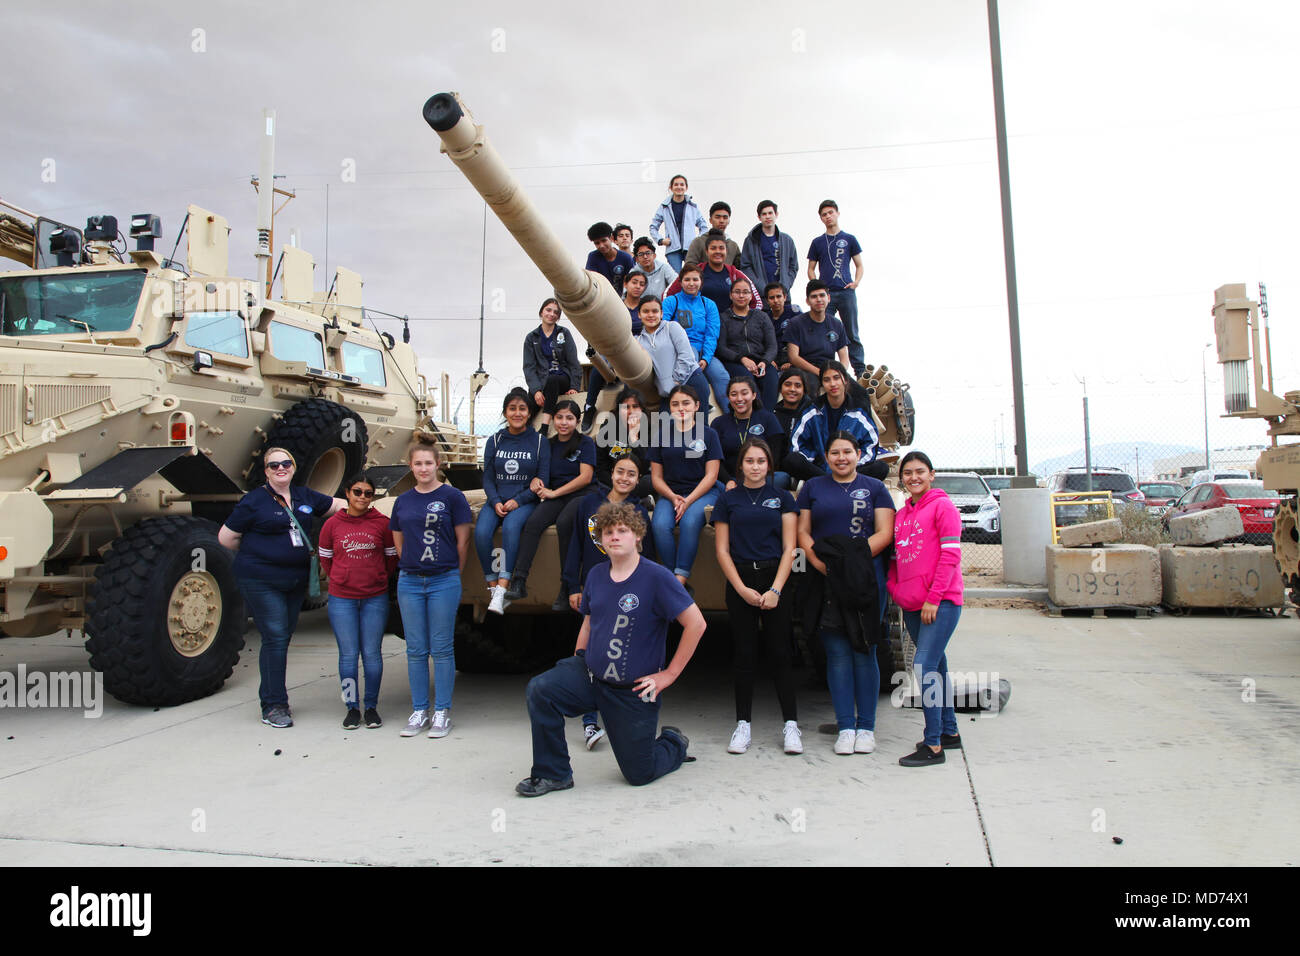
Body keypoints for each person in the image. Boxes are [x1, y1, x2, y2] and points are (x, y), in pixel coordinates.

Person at [518, 502, 706, 796]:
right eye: (608, 532)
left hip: (631, 692)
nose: (614, 536)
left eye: (622, 530)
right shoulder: (595, 574)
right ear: (601, 540)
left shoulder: (657, 578)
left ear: (638, 536)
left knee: (639, 773)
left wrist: (669, 675)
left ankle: (673, 742)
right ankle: (553, 774)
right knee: (541, 690)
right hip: (592, 677)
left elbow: (696, 624)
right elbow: (589, 623)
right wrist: (577, 660)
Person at [218, 448, 345, 728]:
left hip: (295, 579)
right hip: (261, 580)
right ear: (266, 471)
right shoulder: (254, 502)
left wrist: (363, 510)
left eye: (285, 463)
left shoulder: (304, 496)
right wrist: (259, 552)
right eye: (273, 465)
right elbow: (226, 538)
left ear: (293, 467)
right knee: (275, 637)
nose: (280, 468)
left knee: (282, 637)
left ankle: (273, 696)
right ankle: (274, 705)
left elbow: (338, 505)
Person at [796, 432, 895, 755]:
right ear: (826, 457)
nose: (841, 458)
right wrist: (819, 562)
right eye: (835, 453)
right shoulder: (812, 488)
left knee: (863, 649)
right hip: (825, 577)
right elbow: (803, 531)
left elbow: (885, 532)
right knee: (837, 653)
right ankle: (845, 726)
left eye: (847, 452)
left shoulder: (876, 488)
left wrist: (850, 563)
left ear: (858, 454)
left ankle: (866, 726)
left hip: (866, 578)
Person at [713, 438, 800, 755]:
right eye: (749, 461)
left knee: (780, 653)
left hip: (774, 577)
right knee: (744, 655)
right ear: (741, 465)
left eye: (761, 461)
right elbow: (721, 549)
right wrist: (740, 589)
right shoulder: (729, 500)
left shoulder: (783, 498)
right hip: (740, 580)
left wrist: (775, 589)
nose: (755, 466)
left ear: (769, 465)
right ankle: (743, 725)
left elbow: (790, 547)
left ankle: (791, 724)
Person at [390, 438, 472, 738]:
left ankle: (442, 712)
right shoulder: (403, 501)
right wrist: (413, 565)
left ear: (438, 464)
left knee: (441, 648)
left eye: (428, 462)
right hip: (410, 580)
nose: (423, 468)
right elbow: (398, 539)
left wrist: (452, 573)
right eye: (418, 463)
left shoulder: (453, 497)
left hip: (443, 580)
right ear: (411, 467)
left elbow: (463, 540)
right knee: (415, 649)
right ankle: (419, 710)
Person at [888, 451, 964, 767]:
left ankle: (932, 745)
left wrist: (934, 598)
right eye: (908, 473)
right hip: (912, 605)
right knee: (938, 665)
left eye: (920, 471)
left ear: (931, 474)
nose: (913, 477)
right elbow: (895, 561)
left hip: (940, 603)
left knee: (924, 666)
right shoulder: (902, 515)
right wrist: (899, 591)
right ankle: (949, 732)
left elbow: (950, 556)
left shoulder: (943, 507)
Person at [318, 472, 397, 730]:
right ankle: (352, 707)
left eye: (368, 493)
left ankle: (371, 707)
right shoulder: (332, 525)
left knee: (372, 654)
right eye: (357, 492)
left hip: (374, 597)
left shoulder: (382, 524)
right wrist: (341, 578)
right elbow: (326, 558)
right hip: (343, 599)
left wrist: (376, 578)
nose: (362, 497)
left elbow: (390, 558)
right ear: (347, 493)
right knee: (348, 656)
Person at [507, 400, 596, 610]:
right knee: (534, 522)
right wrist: (537, 481)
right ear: (553, 419)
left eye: (569, 418)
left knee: (565, 523)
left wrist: (554, 493)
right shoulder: (548, 444)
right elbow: (542, 473)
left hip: (582, 494)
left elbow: (586, 477)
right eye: (559, 417)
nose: (564, 422)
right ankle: (519, 581)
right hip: (556, 494)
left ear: (577, 421)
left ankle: (567, 586)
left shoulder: (585, 443)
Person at [477, 388, 550, 615]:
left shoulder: (539, 442)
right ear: (505, 412)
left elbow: (543, 479)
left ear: (529, 413)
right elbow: (487, 476)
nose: (517, 413)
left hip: (524, 501)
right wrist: (496, 500)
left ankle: (503, 589)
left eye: (522, 408)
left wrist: (518, 501)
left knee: (510, 528)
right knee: (480, 533)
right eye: (512, 408)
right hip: (496, 500)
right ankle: (493, 589)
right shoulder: (495, 440)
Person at [648, 384, 722, 585]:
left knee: (690, 521)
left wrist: (688, 501)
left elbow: (712, 475)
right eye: (675, 404)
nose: (681, 408)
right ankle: (674, 579)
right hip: (670, 493)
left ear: (697, 406)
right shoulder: (660, 435)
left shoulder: (709, 434)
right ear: (669, 408)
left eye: (686, 403)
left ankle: (680, 577)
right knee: (660, 525)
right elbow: (656, 477)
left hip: (703, 492)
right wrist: (673, 497)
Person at [788, 360, 885, 483]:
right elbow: (797, 442)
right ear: (822, 383)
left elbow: (871, 444)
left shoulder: (858, 411)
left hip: (849, 467)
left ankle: (832, 481)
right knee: (792, 460)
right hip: (821, 468)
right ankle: (829, 481)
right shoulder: (813, 410)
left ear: (845, 380)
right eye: (827, 380)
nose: (832, 384)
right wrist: (818, 459)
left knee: (881, 468)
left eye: (836, 378)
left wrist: (851, 464)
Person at [807, 199, 866, 377]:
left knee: (851, 332)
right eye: (824, 214)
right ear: (821, 218)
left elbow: (859, 265)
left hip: (846, 292)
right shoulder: (817, 242)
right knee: (825, 331)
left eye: (830, 212)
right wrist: (817, 287)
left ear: (837, 213)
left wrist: (855, 282)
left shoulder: (849, 239)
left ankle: (860, 371)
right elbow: (810, 268)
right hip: (827, 295)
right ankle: (828, 369)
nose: (828, 216)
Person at [661, 265, 728, 412]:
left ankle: (731, 417)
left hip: (703, 352)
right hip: (679, 351)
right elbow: (663, 328)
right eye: (687, 279)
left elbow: (712, 334)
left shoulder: (708, 304)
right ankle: (699, 403)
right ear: (680, 282)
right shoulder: (671, 301)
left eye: (695, 279)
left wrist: (706, 358)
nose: (691, 283)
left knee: (721, 375)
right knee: (691, 357)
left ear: (701, 282)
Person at [714, 277, 779, 409]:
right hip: (735, 362)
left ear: (751, 296)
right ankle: (756, 418)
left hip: (760, 360)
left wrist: (765, 361)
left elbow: (772, 345)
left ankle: (767, 419)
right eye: (737, 292)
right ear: (731, 295)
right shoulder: (723, 317)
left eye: (745, 292)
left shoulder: (762, 316)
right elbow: (721, 347)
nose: (741, 295)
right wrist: (742, 359)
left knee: (771, 380)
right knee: (747, 381)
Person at [711, 374, 785, 489]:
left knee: (782, 478)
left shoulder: (768, 418)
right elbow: (714, 460)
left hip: (762, 478)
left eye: (744, 393)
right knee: (714, 483)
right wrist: (728, 481)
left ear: (754, 395)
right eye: (734, 394)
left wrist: (757, 477)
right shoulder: (718, 423)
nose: (739, 399)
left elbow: (775, 454)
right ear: (728, 397)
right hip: (731, 481)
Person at [523, 298, 581, 430]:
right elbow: (529, 367)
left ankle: (544, 426)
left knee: (553, 379)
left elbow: (573, 362)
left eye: (556, 312)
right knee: (527, 408)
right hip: (540, 382)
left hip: (561, 378)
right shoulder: (531, 338)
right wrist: (536, 390)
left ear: (558, 317)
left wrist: (574, 386)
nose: (552, 314)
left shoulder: (564, 333)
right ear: (541, 313)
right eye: (548, 310)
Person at [593, 387, 653, 498]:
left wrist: (634, 436)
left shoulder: (649, 429)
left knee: (649, 481)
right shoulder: (608, 427)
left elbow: (645, 467)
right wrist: (616, 487)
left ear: (642, 410)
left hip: (635, 481)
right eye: (626, 407)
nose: (630, 411)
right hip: (611, 481)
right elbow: (600, 465)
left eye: (635, 407)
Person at [635, 294, 698, 401]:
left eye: (655, 311)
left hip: (690, 382)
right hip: (667, 394)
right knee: (664, 418)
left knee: (700, 418)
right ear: (639, 315)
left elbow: (687, 355)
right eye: (646, 311)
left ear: (661, 314)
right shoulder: (638, 341)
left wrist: (676, 381)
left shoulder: (672, 327)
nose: (650, 315)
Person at [785, 280, 850, 381]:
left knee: (858, 391)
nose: (819, 299)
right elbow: (793, 357)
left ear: (828, 298)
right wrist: (820, 373)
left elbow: (844, 358)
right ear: (807, 301)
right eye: (814, 296)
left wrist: (839, 373)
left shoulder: (837, 324)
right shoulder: (795, 323)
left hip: (830, 370)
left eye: (822, 295)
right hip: (805, 371)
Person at [649, 174, 709, 272]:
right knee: (676, 278)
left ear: (686, 187)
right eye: (676, 185)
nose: (679, 187)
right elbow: (653, 227)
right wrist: (660, 240)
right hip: (672, 248)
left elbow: (704, 226)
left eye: (682, 184)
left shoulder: (692, 206)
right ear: (671, 188)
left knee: (691, 275)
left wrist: (698, 241)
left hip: (690, 248)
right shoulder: (664, 207)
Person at [740, 200, 799, 295]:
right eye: (764, 214)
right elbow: (745, 266)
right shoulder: (751, 240)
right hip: (761, 296)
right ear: (759, 217)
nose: (767, 216)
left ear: (776, 214)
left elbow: (793, 266)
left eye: (770, 213)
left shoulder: (787, 240)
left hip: (783, 296)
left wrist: (786, 285)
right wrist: (758, 285)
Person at [684, 201, 741, 267]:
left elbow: (740, 270)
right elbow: (689, 266)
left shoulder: (733, 246)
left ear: (729, 221)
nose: (721, 221)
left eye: (725, 218)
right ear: (710, 220)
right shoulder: (698, 242)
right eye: (717, 217)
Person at [585, 221, 635, 296]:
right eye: (597, 243)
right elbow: (591, 281)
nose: (601, 245)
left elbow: (631, 282)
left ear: (611, 238)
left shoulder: (625, 258)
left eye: (604, 240)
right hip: (602, 298)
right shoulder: (593, 257)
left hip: (622, 300)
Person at [763, 282, 803, 370]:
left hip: (794, 357)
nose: (776, 300)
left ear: (785, 297)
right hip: (773, 360)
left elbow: (804, 337)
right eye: (772, 298)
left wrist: (792, 362)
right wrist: (768, 360)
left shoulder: (794, 312)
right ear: (767, 300)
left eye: (778, 296)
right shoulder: (764, 318)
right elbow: (762, 343)